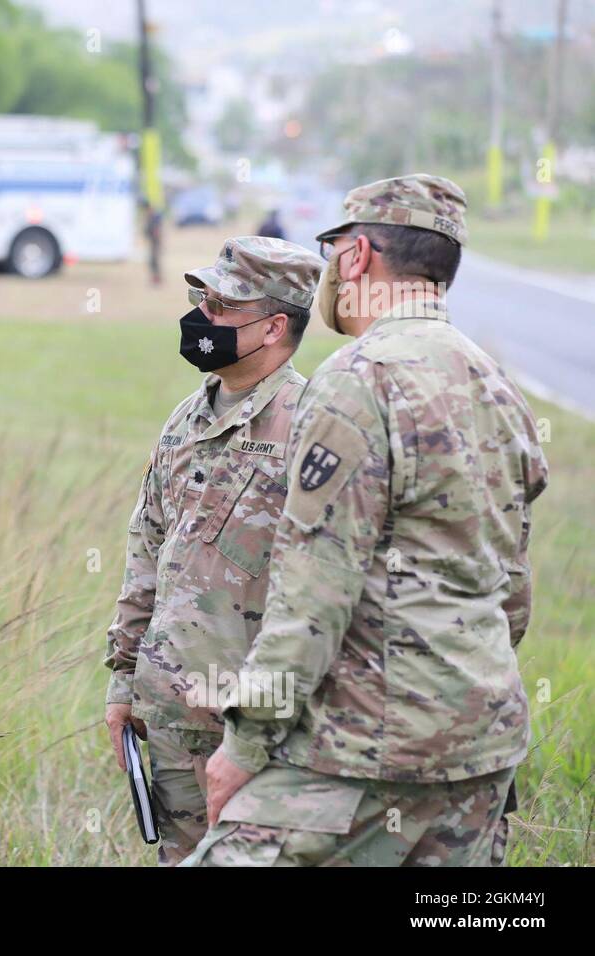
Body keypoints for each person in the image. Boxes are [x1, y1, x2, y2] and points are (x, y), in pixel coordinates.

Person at [189, 174, 548, 867]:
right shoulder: (495, 384)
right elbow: (513, 587)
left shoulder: (359, 379)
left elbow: (313, 596)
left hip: (361, 751)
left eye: (329, 252)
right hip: (481, 744)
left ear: (355, 257)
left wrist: (244, 744)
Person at [103, 236, 324, 864]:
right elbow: (147, 549)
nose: (202, 318)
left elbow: (324, 588)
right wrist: (124, 681)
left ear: (274, 326)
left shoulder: (310, 423)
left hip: (257, 727)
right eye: (201, 297)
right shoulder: (186, 418)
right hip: (171, 716)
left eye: (224, 305)